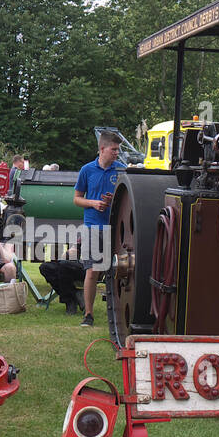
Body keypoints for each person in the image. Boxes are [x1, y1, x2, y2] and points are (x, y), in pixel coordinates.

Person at [73, 131, 125, 327]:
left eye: (118, 149)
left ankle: (118, 315)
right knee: (92, 271)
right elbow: (77, 199)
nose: (117, 153)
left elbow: (128, 199)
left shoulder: (122, 171)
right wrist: (94, 203)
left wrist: (114, 200)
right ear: (102, 149)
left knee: (119, 270)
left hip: (116, 228)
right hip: (93, 227)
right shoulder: (87, 170)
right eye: (114, 149)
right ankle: (88, 314)